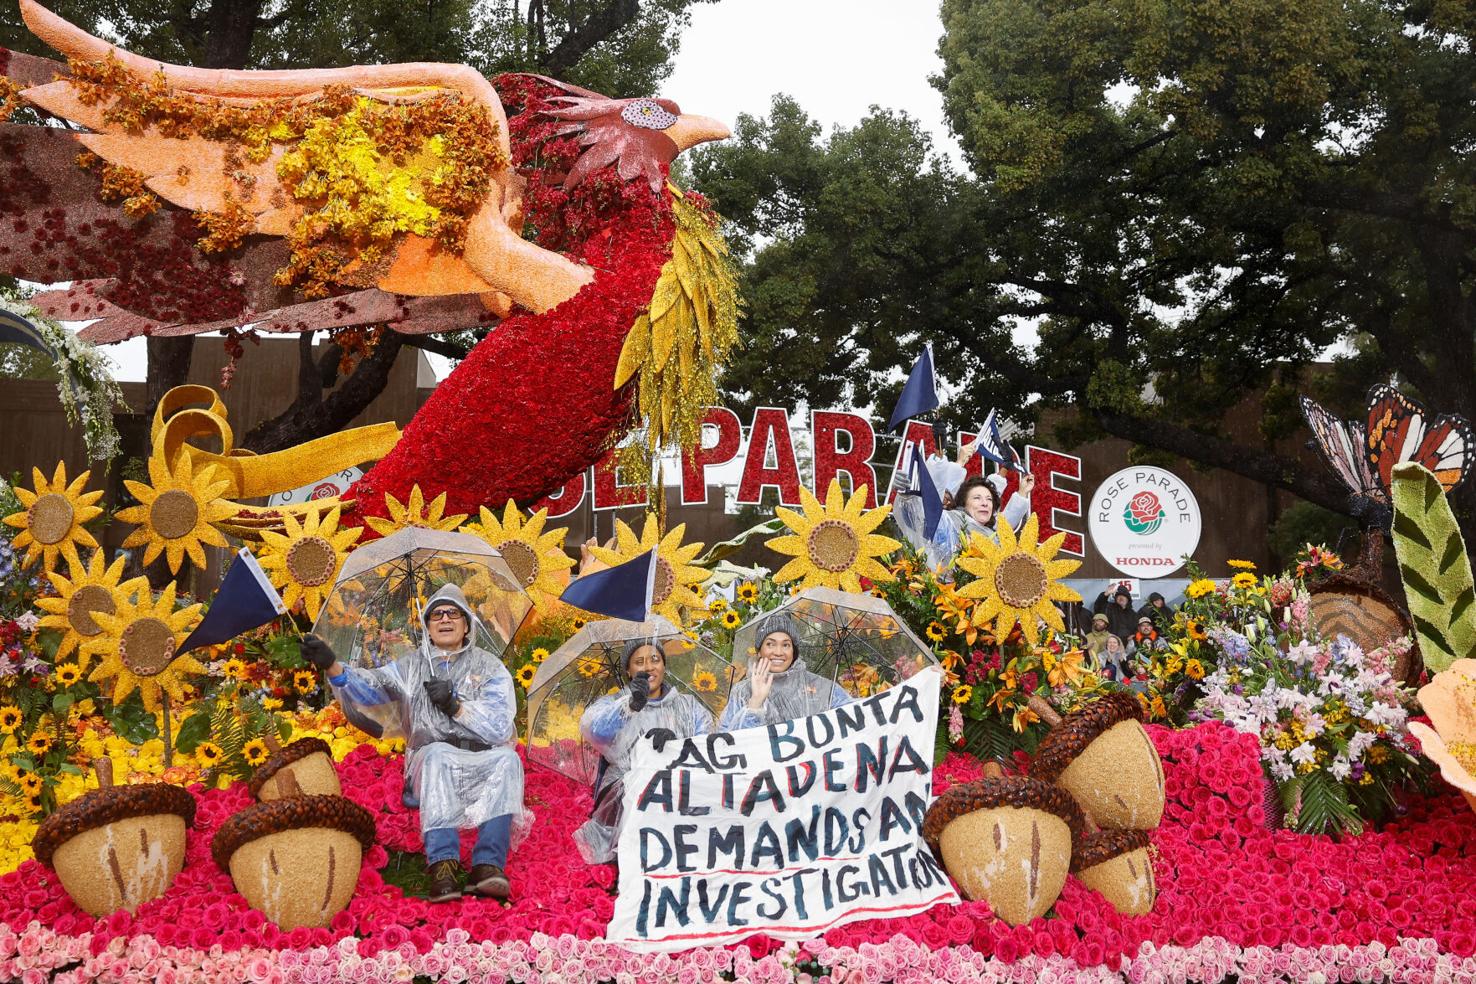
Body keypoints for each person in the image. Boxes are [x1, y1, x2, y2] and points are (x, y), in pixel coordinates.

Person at [299, 584, 523, 903]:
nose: (445, 619)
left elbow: (500, 725)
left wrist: (456, 707)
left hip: (481, 757)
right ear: (428, 627)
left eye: (453, 613)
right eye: (437, 615)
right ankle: (443, 866)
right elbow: (371, 687)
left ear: (466, 624)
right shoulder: (412, 666)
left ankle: (487, 867)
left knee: (508, 760)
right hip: (432, 758)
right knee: (437, 754)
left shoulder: (489, 667)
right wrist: (332, 665)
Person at [575, 639, 714, 864]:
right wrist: (628, 706)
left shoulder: (688, 706)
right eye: (639, 662)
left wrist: (675, 745)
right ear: (629, 671)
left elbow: (706, 744)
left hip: (677, 782)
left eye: (655, 660)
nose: (649, 667)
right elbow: (595, 731)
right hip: (624, 787)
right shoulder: (613, 702)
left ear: (664, 665)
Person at [718, 614, 852, 730]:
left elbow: (854, 723)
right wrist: (755, 703)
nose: (778, 652)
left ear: (794, 651)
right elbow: (726, 742)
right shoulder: (742, 692)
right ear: (759, 651)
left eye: (786, 645)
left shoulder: (823, 689)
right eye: (770, 644)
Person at [928, 459, 1036, 572]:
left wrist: (1023, 492)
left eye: (989, 499)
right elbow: (930, 501)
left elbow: (1004, 526)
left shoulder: (993, 538)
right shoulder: (947, 520)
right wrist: (940, 458)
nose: (985, 503)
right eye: (977, 498)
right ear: (964, 503)